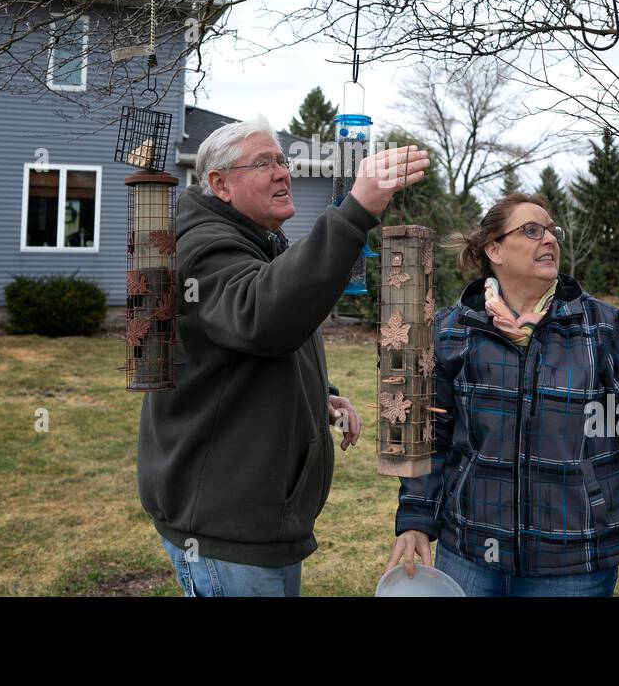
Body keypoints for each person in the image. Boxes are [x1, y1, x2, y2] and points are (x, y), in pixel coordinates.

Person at [139, 115, 430, 596]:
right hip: (224, 532)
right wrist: (355, 212)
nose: (282, 172)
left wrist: (321, 396)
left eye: (282, 160)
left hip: (253, 522)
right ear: (220, 184)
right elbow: (261, 317)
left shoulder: (253, 243)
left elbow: (261, 346)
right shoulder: (203, 248)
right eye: (264, 163)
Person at [386, 193, 619, 596]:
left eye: (552, 231)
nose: (549, 239)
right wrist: (415, 518)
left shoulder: (602, 330)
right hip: (470, 555)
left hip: (574, 563)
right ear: (493, 248)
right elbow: (428, 433)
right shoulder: (452, 329)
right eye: (532, 230)